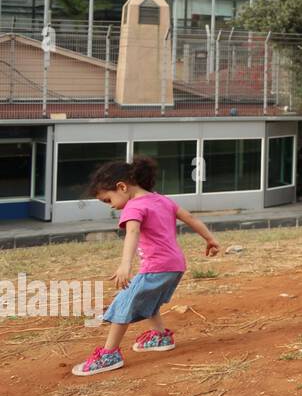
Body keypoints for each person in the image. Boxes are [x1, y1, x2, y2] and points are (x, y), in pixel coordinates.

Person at [72, 157, 220, 377]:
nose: (110, 205)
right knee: (149, 300)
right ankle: (160, 336)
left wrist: (125, 266)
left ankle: (109, 354)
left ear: (122, 187)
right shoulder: (161, 200)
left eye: (108, 199)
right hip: (175, 265)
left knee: (123, 303)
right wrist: (210, 239)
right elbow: (188, 217)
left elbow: (132, 233)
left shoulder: (134, 207)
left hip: (156, 267)